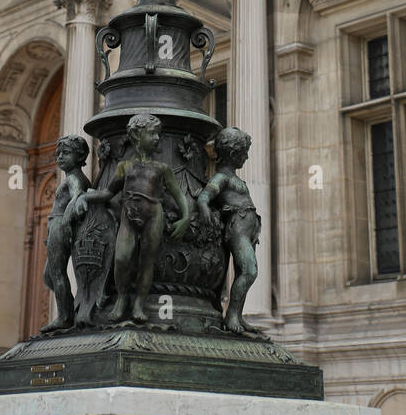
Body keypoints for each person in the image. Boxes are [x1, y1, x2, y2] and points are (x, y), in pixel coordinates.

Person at [76, 112, 190, 324]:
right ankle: (122, 299)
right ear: (138, 136)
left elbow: (179, 195)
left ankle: (138, 305)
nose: (158, 138)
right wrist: (85, 197)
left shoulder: (162, 169)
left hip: (154, 216)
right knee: (122, 258)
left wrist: (185, 217)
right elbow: (109, 192)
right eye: (153, 134)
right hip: (129, 216)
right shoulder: (124, 167)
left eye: (158, 134)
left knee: (147, 261)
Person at [196, 127, 261, 334]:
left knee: (245, 271)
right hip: (237, 230)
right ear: (233, 154)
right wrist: (204, 207)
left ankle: (237, 315)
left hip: (248, 230)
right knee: (249, 271)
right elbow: (205, 196)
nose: (247, 157)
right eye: (244, 153)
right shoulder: (222, 177)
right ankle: (232, 314)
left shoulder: (233, 178)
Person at [40, 135, 92, 333]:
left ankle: (64, 317)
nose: (60, 157)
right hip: (57, 226)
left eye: (66, 153)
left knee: (56, 273)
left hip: (60, 225)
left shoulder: (73, 178)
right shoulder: (74, 177)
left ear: (79, 157)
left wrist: (66, 220)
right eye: (58, 153)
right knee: (49, 276)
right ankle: (68, 312)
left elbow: (79, 195)